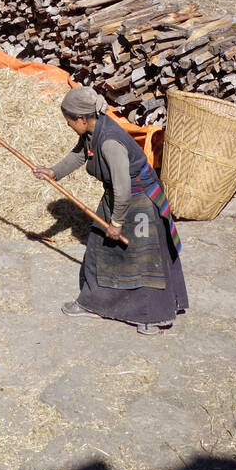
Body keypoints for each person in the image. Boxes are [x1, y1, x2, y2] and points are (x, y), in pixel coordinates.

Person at [34, 85, 188, 334]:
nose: (68, 126)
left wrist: (116, 223)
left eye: (69, 121)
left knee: (143, 261)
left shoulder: (110, 142)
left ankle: (151, 315)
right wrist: (53, 172)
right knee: (97, 248)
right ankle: (93, 304)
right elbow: (79, 155)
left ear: (82, 118)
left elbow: (122, 188)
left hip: (139, 202)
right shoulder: (93, 131)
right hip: (116, 197)